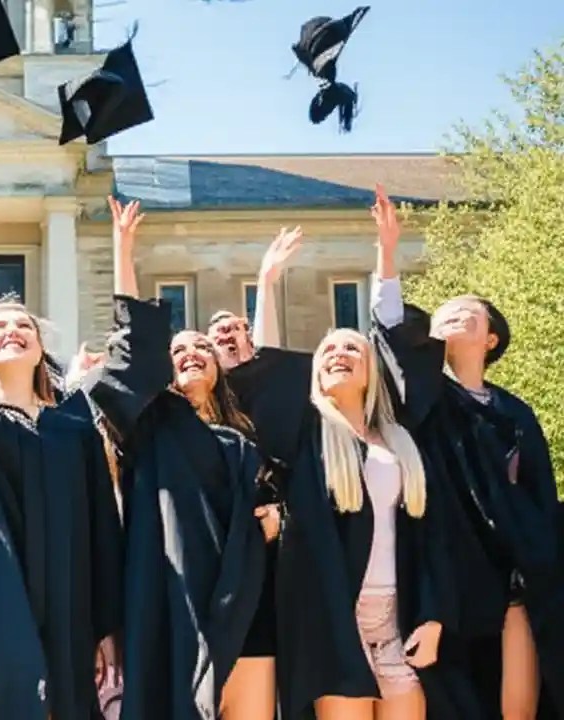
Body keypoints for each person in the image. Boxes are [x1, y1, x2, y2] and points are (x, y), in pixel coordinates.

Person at [228, 196, 452, 720]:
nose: (339, 354)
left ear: (371, 370)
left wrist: (387, 256)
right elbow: (271, 370)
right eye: (328, 351)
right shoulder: (308, 433)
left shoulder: (399, 442)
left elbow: (430, 535)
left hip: (397, 620)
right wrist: (267, 281)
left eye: (352, 349)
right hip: (334, 620)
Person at [74, 196, 276, 720]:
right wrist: (124, 250)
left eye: (201, 349)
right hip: (171, 599)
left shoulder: (244, 441)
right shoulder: (150, 427)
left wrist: (278, 520)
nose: (190, 353)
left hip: (242, 603)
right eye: (177, 350)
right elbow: (132, 347)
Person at [369, 185, 564, 719]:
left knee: (522, 688)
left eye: (467, 314)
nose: (453, 317)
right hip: (449, 566)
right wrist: (387, 255)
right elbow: (389, 337)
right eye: (446, 314)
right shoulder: (428, 394)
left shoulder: (515, 412)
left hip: (513, 567)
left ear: (492, 338)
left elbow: (540, 495)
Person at [0, 207, 123, 719]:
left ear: (41, 351)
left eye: (24, 326)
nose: (13, 330)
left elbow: (103, 529)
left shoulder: (74, 429)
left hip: (68, 605)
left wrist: (105, 627)